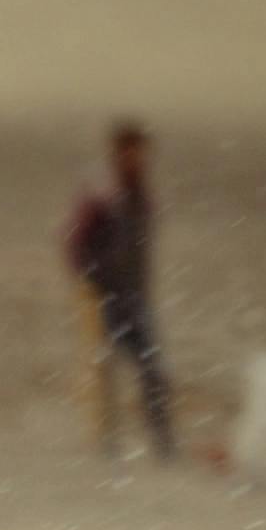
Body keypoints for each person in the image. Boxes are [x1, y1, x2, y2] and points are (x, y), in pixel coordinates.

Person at [64, 119, 179, 461]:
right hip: (106, 296)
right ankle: (106, 444)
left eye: (140, 152)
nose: (136, 158)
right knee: (104, 373)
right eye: (130, 152)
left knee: (151, 368)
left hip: (134, 295)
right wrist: (93, 280)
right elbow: (76, 244)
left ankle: (161, 441)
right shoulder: (104, 195)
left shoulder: (141, 194)